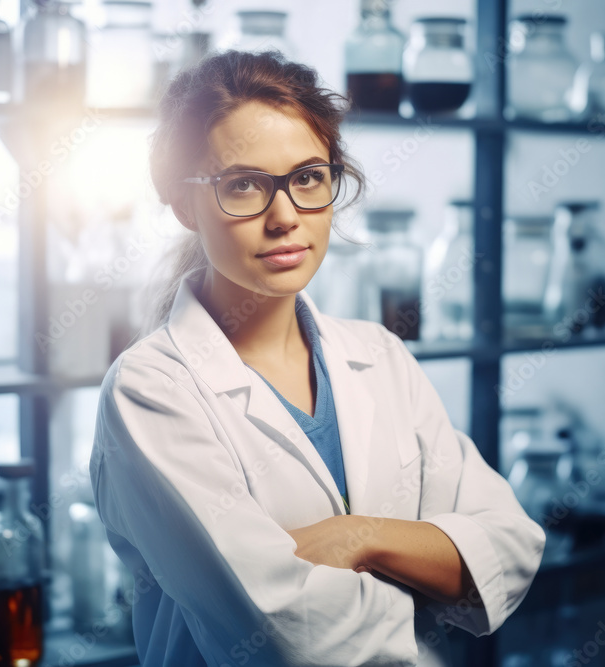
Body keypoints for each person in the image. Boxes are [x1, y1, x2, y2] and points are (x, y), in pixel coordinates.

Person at [89, 49, 545, 667]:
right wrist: (424, 565)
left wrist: (356, 538)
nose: (285, 218)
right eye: (243, 185)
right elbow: (289, 638)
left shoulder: (379, 356)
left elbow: (510, 550)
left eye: (307, 177)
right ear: (184, 204)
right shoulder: (149, 392)